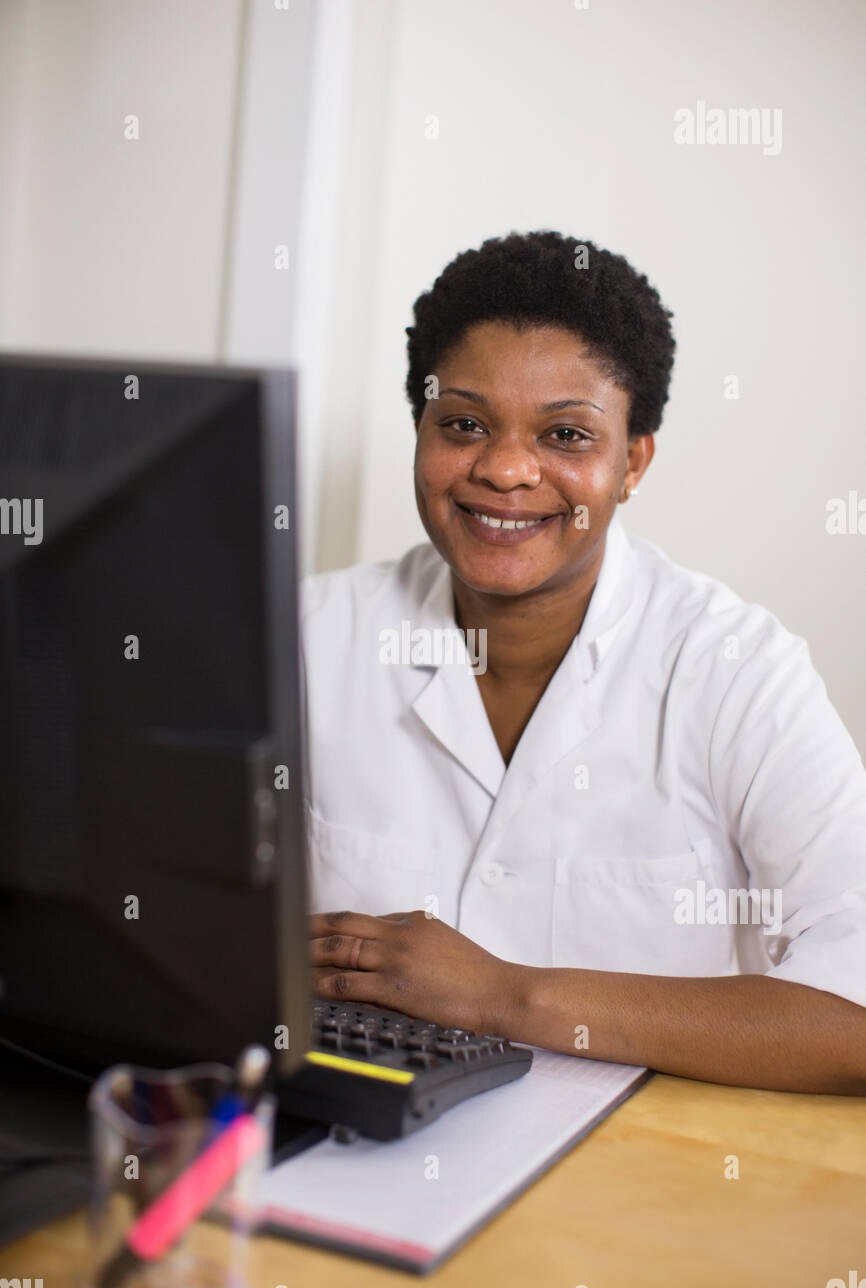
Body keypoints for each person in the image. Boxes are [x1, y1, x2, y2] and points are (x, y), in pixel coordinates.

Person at [302, 230, 866, 1095]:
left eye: (566, 435)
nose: (506, 469)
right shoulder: (310, 637)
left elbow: (852, 1022)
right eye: (464, 424)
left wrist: (503, 995)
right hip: (347, 1140)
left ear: (632, 461)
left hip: (638, 1187)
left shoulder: (737, 672)